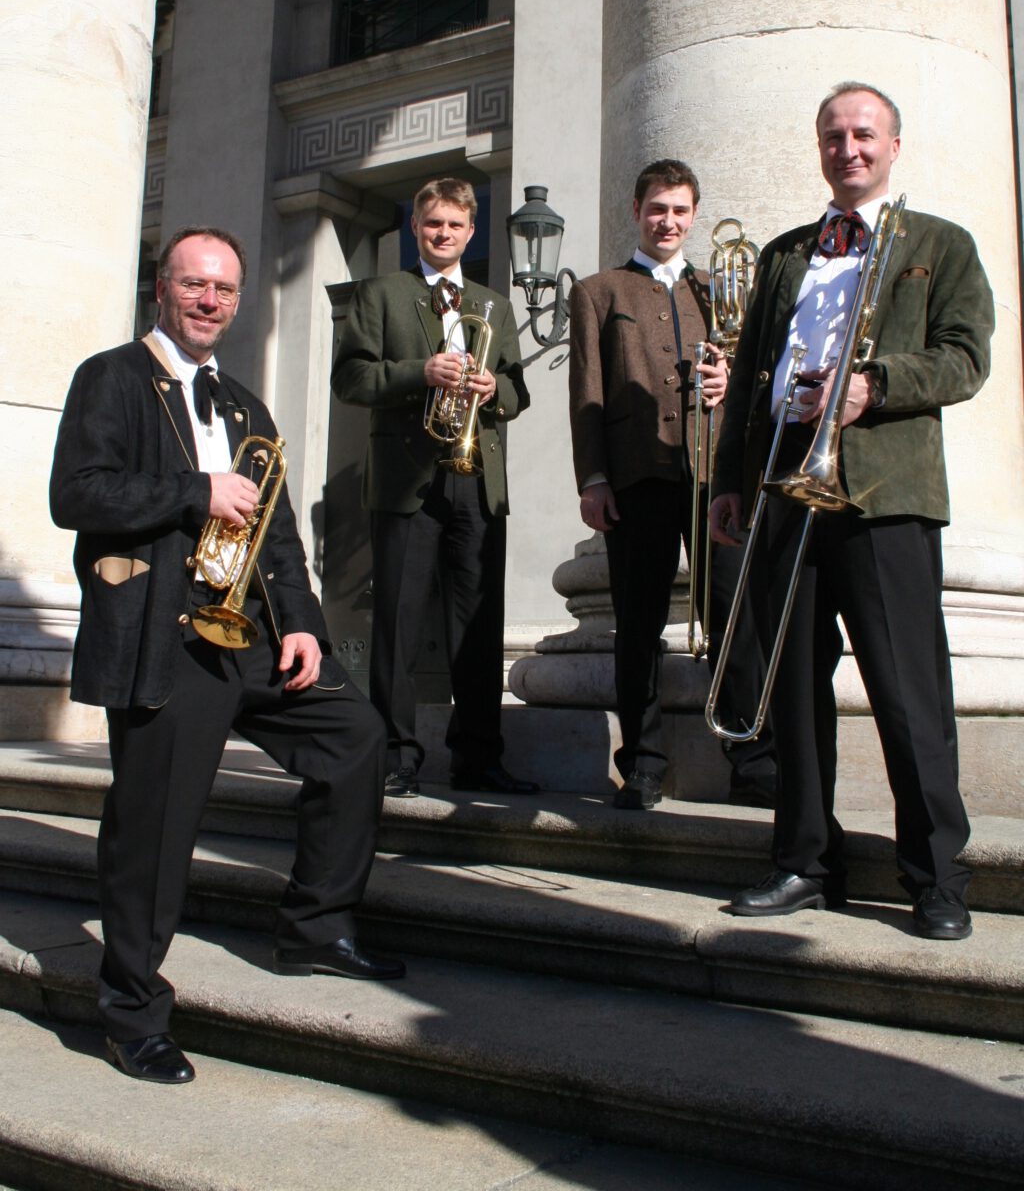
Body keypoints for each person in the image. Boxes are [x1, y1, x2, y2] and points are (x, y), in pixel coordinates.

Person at [50, 226, 404, 1087]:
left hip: (248, 632)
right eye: (195, 285)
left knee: (356, 735)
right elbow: (77, 494)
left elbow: (279, 535)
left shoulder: (246, 405)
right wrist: (194, 490)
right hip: (167, 635)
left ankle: (314, 927)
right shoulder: (112, 377)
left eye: (226, 290)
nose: (211, 301)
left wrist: (304, 626)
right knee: (156, 825)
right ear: (162, 289)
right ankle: (132, 1011)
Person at [710, 83, 993, 939]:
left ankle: (937, 877)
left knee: (910, 694)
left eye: (864, 135)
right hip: (788, 488)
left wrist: (874, 385)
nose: (848, 149)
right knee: (793, 693)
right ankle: (804, 861)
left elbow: (965, 359)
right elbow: (754, 374)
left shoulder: (939, 245)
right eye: (833, 136)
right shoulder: (786, 255)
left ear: (893, 145)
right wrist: (730, 478)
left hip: (885, 496)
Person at [568, 160, 776, 810]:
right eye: (658, 208)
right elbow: (587, 394)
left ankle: (753, 758)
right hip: (636, 478)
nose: (669, 221)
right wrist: (594, 479)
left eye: (681, 210)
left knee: (732, 616)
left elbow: (755, 382)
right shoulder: (600, 292)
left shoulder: (719, 291)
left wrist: (729, 384)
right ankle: (645, 765)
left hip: (715, 479)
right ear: (637, 210)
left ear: (693, 216)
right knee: (638, 624)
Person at [331, 178, 536, 798]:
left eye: (454, 225)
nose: (442, 233)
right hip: (406, 478)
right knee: (398, 617)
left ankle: (478, 756)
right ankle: (396, 754)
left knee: (478, 622)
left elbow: (517, 390)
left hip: (475, 479)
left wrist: (492, 391)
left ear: (471, 232)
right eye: (431, 224)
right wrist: (419, 371)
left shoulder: (494, 305)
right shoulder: (380, 294)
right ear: (415, 228)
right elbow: (350, 378)